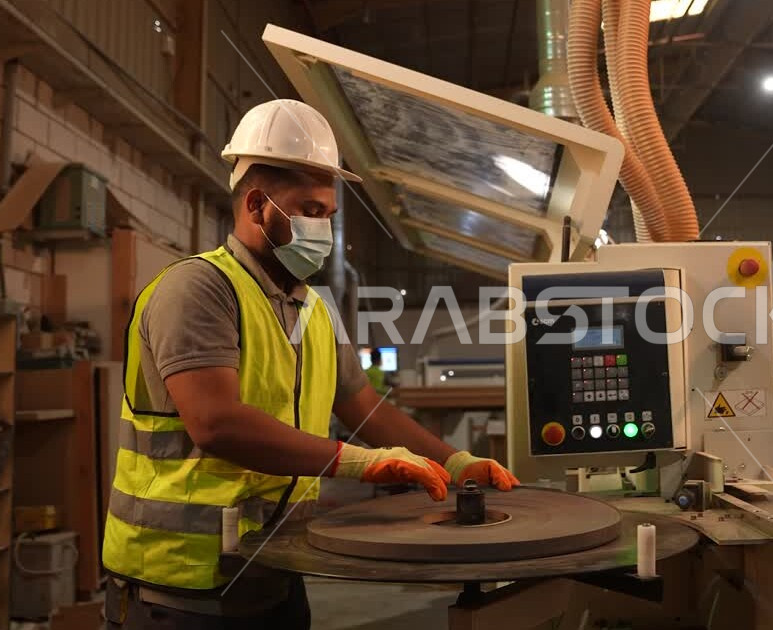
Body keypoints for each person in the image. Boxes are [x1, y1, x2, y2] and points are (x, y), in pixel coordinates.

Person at [102, 99, 519, 628]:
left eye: (329, 214)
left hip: (275, 568)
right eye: (311, 211)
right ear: (256, 206)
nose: (323, 227)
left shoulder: (312, 308)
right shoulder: (198, 289)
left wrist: (456, 464)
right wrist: (359, 462)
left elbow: (365, 406)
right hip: (180, 586)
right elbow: (215, 423)